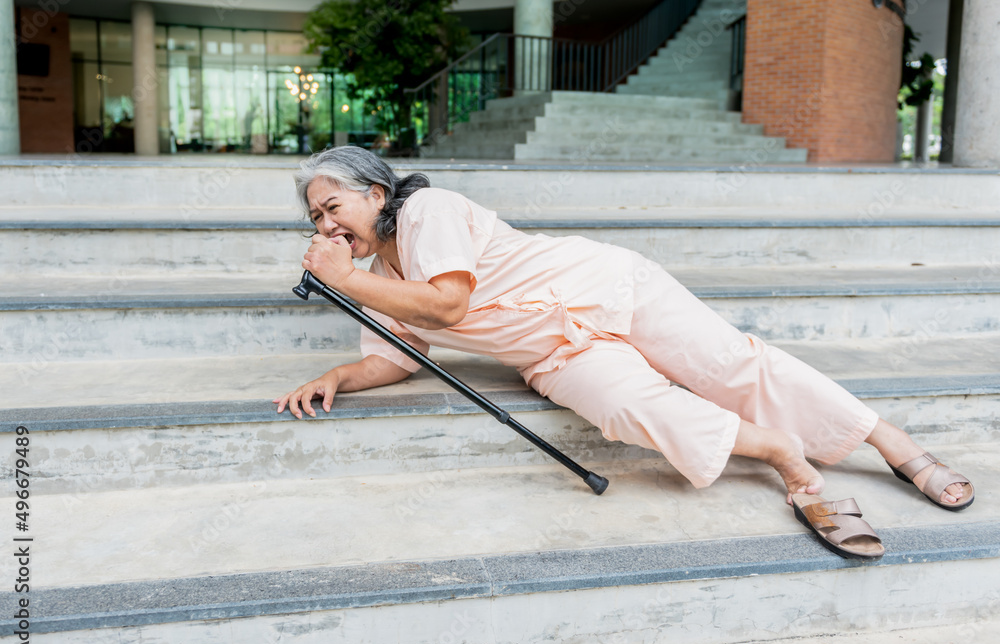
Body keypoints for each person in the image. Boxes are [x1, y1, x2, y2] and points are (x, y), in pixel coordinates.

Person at [274, 146, 973, 559]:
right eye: (316, 218)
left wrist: (346, 279)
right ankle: (778, 450)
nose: (327, 225)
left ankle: (886, 439)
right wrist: (337, 375)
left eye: (334, 208)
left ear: (376, 194)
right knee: (625, 407)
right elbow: (396, 356)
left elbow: (448, 303)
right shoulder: (375, 281)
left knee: (731, 365)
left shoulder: (429, 211)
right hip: (554, 356)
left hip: (607, 287)